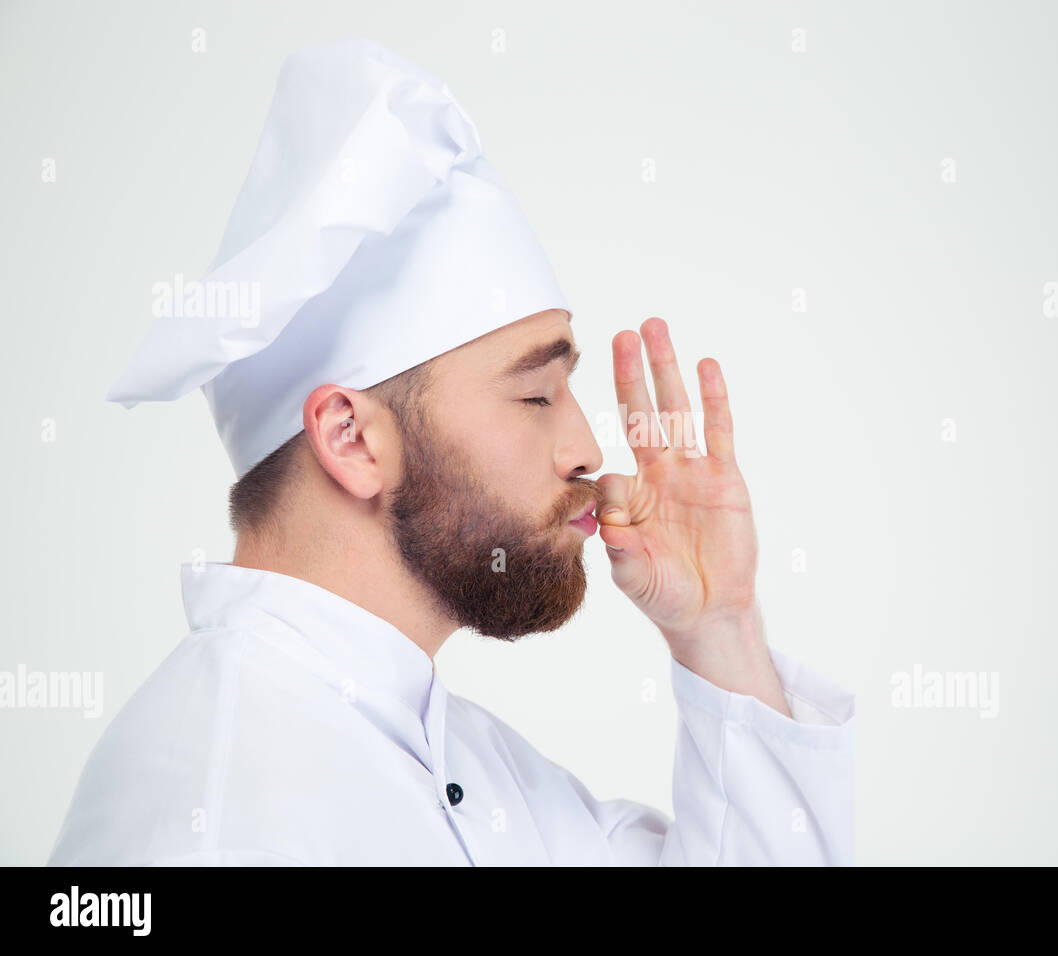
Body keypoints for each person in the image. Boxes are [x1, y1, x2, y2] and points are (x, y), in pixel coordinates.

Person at [47, 38, 855, 866]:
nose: (585, 448)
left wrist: (719, 631)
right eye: (535, 395)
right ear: (351, 439)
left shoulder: (491, 774)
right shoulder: (208, 799)